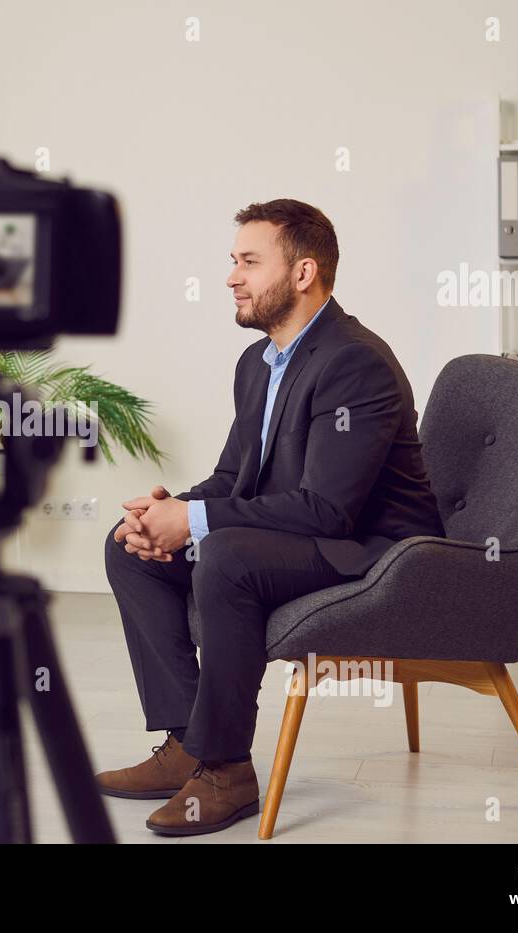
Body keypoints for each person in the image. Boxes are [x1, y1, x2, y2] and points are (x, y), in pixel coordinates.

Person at [98, 199, 446, 836]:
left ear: (304, 272)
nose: (232, 276)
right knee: (126, 545)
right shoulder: (258, 363)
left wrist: (197, 522)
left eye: (250, 262)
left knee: (228, 558)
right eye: (233, 261)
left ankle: (227, 771)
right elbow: (235, 479)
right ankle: (187, 744)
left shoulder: (354, 362)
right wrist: (166, 513)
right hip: (302, 535)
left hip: (376, 553)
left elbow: (328, 510)